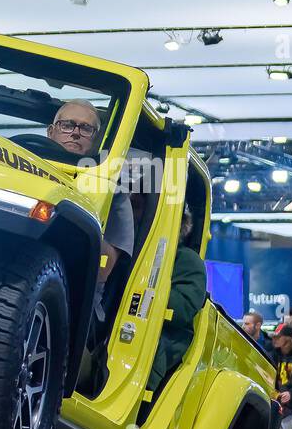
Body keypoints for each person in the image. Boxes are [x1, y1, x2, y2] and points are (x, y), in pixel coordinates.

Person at [47, 100, 134, 318]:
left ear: (97, 141)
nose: (75, 133)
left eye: (86, 128)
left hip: (75, 307)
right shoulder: (18, 165)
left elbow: (104, 268)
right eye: (67, 125)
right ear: (51, 132)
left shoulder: (112, 189)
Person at [147, 206, 207, 395]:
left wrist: (148, 290)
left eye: (141, 207)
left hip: (153, 349)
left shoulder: (188, 261)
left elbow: (183, 309)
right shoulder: (133, 250)